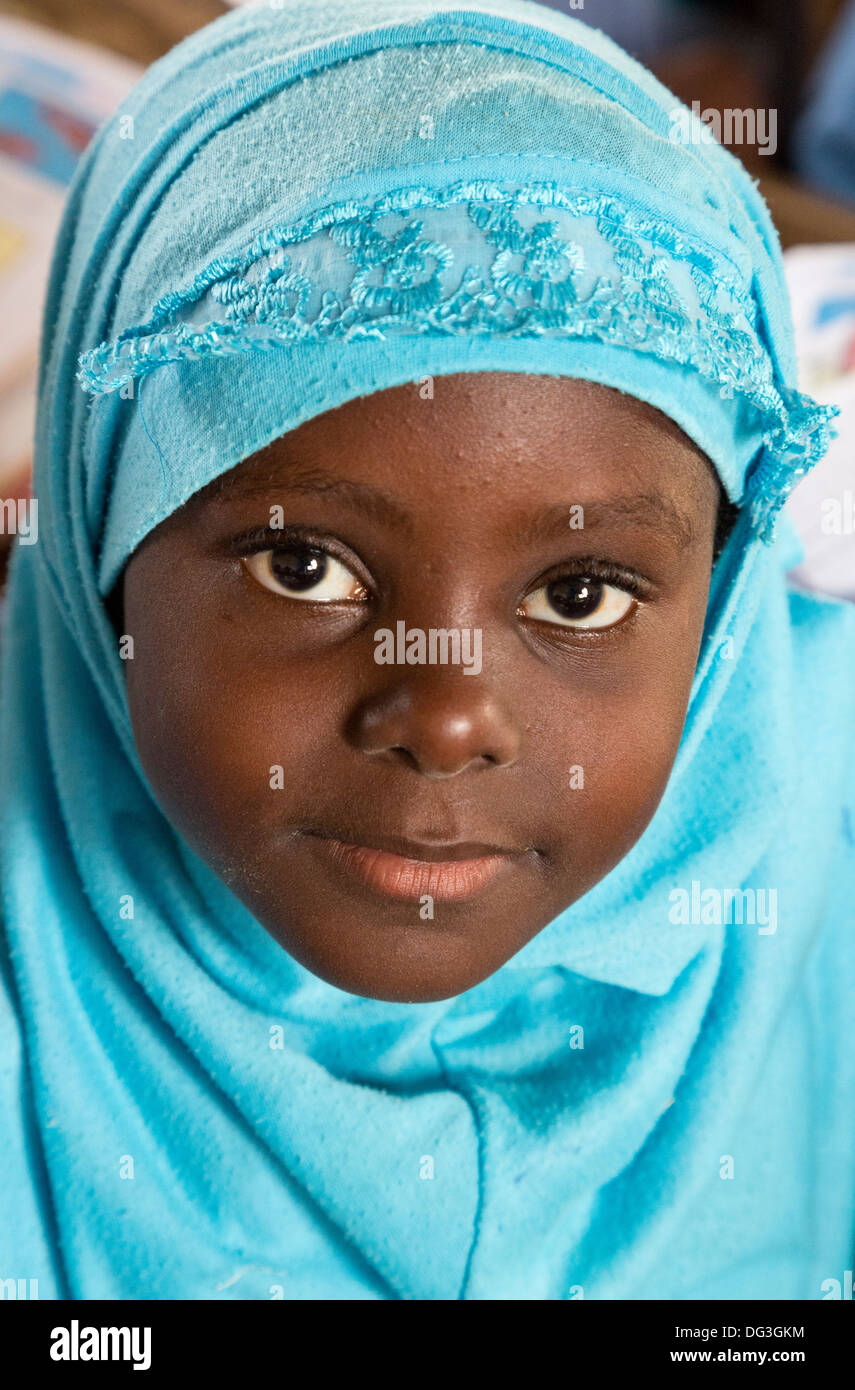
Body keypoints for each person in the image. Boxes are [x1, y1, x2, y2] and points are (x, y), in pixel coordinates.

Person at [1, 0, 853, 1301]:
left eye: (581, 591)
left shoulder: (812, 879)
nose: (447, 720)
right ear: (97, 548)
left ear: (725, 609)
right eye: (306, 566)